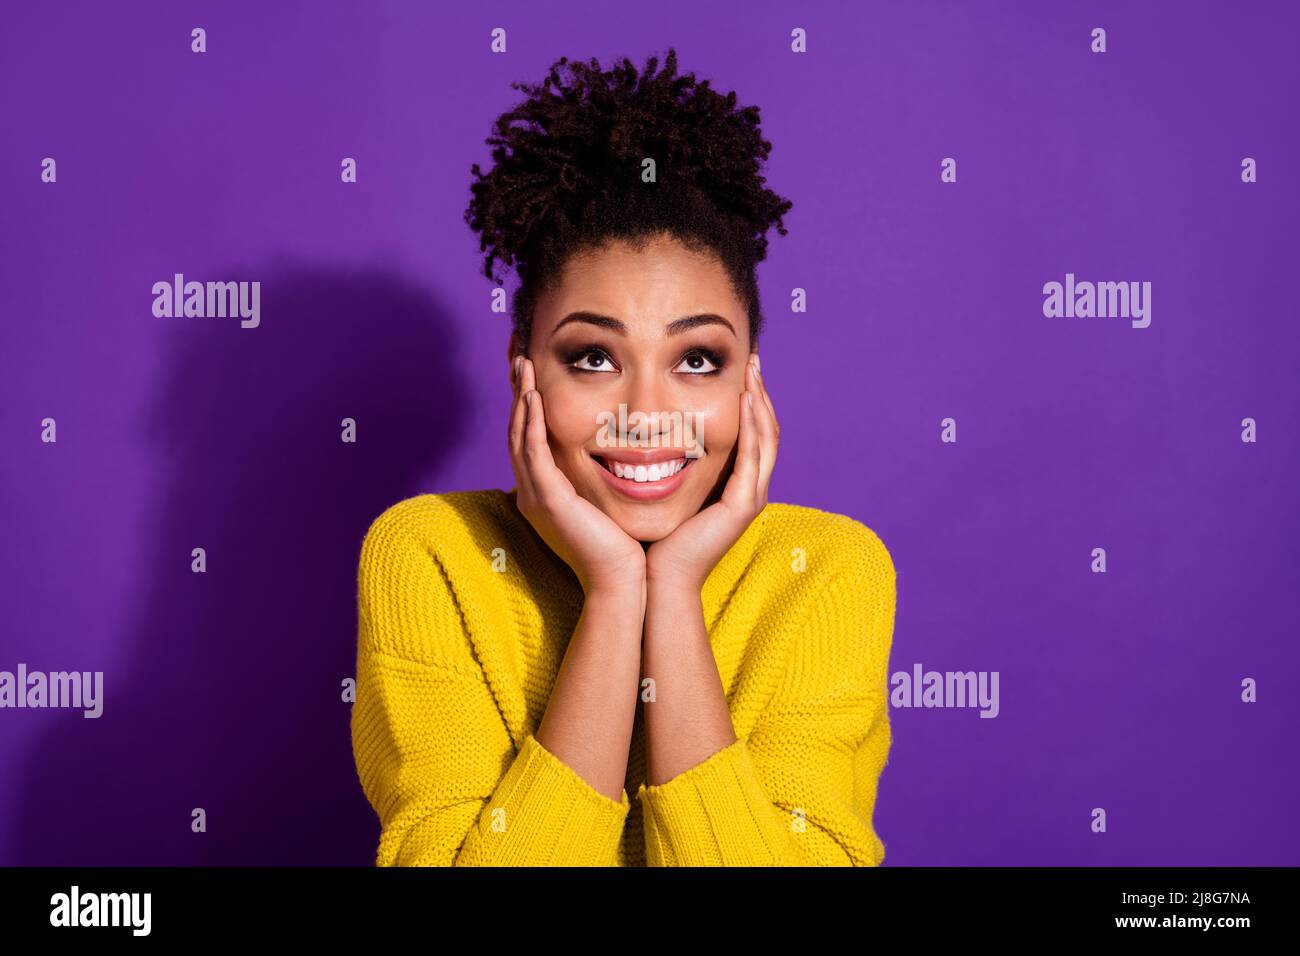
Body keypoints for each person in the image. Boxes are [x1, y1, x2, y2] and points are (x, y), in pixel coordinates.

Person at [350, 48, 897, 866]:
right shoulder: (432, 556)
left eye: (698, 360)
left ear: (751, 380)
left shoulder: (825, 572)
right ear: (523, 371)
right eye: (594, 358)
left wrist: (672, 592)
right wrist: (613, 595)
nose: (647, 416)